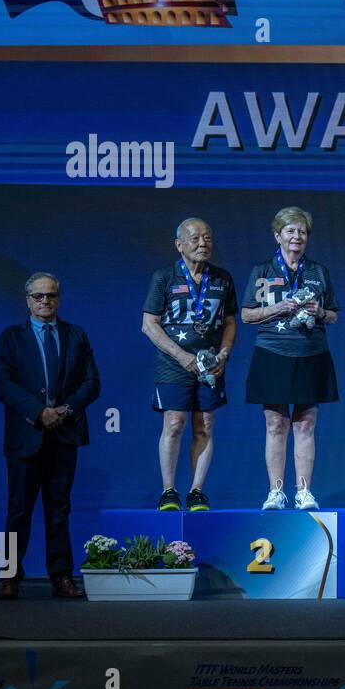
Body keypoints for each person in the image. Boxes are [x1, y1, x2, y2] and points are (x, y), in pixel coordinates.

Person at [0, 272, 101, 600]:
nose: (45, 301)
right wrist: (39, 412)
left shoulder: (76, 335)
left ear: (59, 298)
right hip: (26, 436)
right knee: (19, 510)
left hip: (64, 436)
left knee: (59, 509)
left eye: (51, 295)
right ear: (27, 300)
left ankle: (61, 577)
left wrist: (65, 410)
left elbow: (91, 382)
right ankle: (10, 577)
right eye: (38, 296)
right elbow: (4, 385)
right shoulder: (11, 338)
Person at [241, 207, 339, 510]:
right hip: (273, 352)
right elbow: (245, 315)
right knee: (275, 424)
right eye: (290, 231)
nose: (297, 237)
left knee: (306, 424)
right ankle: (276, 491)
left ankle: (304, 492)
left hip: (311, 353)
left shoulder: (318, 271)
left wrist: (319, 312)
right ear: (277, 235)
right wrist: (276, 309)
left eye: (302, 232)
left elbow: (334, 315)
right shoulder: (262, 272)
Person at [141, 218, 237, 512]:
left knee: (205, 425)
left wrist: (223, 354)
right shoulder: (164, 277)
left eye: (207, 237)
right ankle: (168, 490)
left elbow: (231, 322)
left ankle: (197, 491)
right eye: (194, 238)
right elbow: (149, 325)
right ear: (179, 244)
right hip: (174, 364)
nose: (202, 243)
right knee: (174, 423)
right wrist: (181, 356)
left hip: (210, 364)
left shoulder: (222, 278)